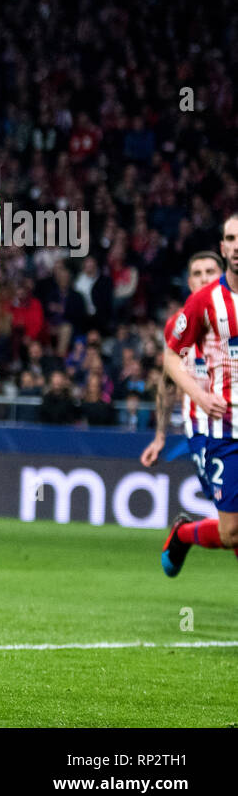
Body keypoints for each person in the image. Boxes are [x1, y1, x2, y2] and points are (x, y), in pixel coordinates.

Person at [161, 222, 238, 573]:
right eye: (232, 238)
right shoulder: (198, 308)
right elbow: (169, 367)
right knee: (232, 530)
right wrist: (162, 432)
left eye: (210, 272)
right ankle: (185, 534)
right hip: (212, 429)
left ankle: (186, 534)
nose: (204, 277)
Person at [140, 251, 222, 480]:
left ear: (223, 276)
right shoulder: (177, 326)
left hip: (233, 423)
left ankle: (190, 520)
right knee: (225, 505)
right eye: (197, 274)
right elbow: (167, 383)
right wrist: (160, 438)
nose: (204, 279)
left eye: (210, 272)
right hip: (201, 431)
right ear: (189, 282)